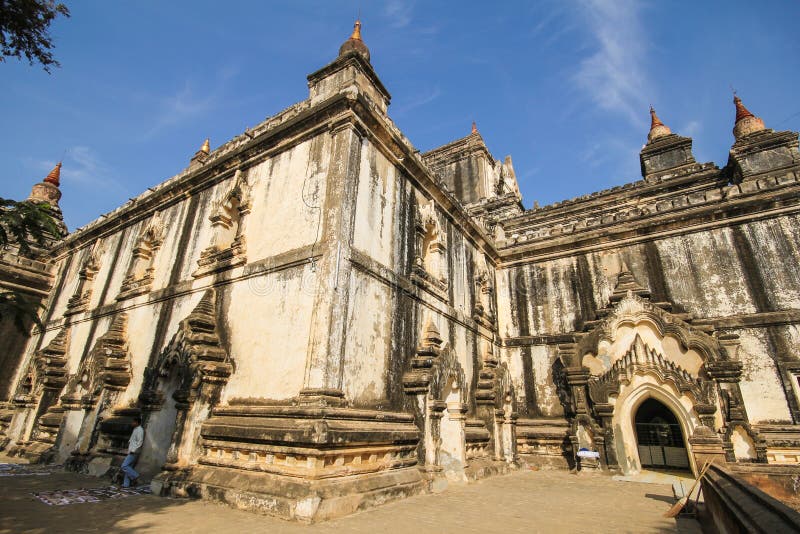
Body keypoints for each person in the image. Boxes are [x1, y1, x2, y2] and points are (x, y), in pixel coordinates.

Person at [120, 416, 144, 488]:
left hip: (134, 452)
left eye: (133, 422)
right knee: (129, 467)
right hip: (131, 450)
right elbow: (132, 440)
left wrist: (133, 450)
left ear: (137, 422)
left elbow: (140, 442)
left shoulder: (140, 430)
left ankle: (136, 476)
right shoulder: (135, 429)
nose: (132, 423)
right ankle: (126, 484)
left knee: (124, 466)